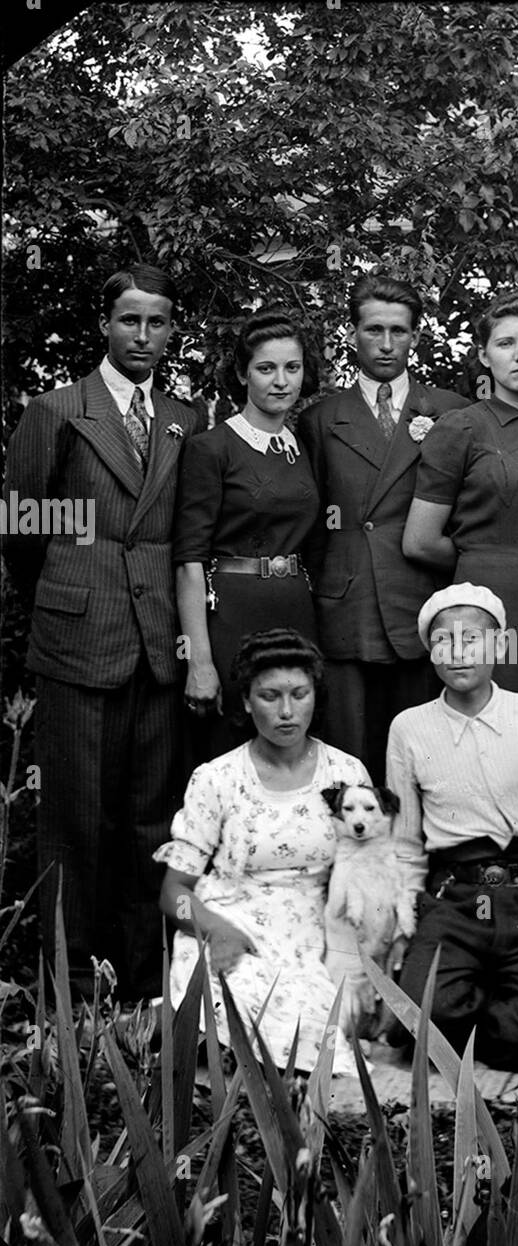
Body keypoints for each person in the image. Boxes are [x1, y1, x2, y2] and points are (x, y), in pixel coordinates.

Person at [1, 264, 201, 1003]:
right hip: (79, 637)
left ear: (170, 329)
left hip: (158, 644)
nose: (142, 336)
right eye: (129, 321)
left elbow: (186, 531)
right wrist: (75, 582)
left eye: (156, 323)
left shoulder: (188, 418)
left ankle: (146, 980)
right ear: (105, 325)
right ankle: (72, 984)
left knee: (154, 817)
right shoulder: (57, 411)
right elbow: (22, 528)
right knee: (76, 821)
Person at [385, 583, 518, 1070]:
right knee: (422, 1028)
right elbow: (406, 846)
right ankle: (470, 999)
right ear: (430, 653)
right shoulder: (409, 728)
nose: (458, 652)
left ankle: (512, 1007)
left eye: (472, 638)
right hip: (454, 899)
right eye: (444, 640)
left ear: (501, 646)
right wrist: (406, 927)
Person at [155, 629, 368, 1074]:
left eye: (299, 694)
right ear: (248, 702)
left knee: (310, 1027)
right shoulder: (216, 779)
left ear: (315, 696)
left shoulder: (346, 773)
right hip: (228, 917)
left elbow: (365, 880)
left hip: (313, 931)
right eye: (269, 696)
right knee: (235, 1000)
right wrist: (217, 930)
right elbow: (174, 891)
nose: (286, 712)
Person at [296, 273, 469, 782]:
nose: (387, 344)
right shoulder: (321, 418)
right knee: (352, 761)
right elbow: (310, 522)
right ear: (353, 334)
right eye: (374, 330)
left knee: (425, 761)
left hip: (421, 601)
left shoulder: (451, 411)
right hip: (346, 606)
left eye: (399, 331)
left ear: (416, 336)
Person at [403, 291, 518, 752]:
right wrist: (485, 560)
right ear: (484, 355)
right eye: (506, 344)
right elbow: (420, 540)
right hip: (491, 603)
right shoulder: (461, 427)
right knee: (504, 730)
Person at [174, 306, 323, 761]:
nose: (281, 381)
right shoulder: (211, 447)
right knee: (229, 746)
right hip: (232, 615)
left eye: (292, 368)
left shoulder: (304, 446)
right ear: (242, 373)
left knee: (293, 746)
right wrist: (199, 659)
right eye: (266, 368)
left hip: (295, 611)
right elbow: (189, 560)